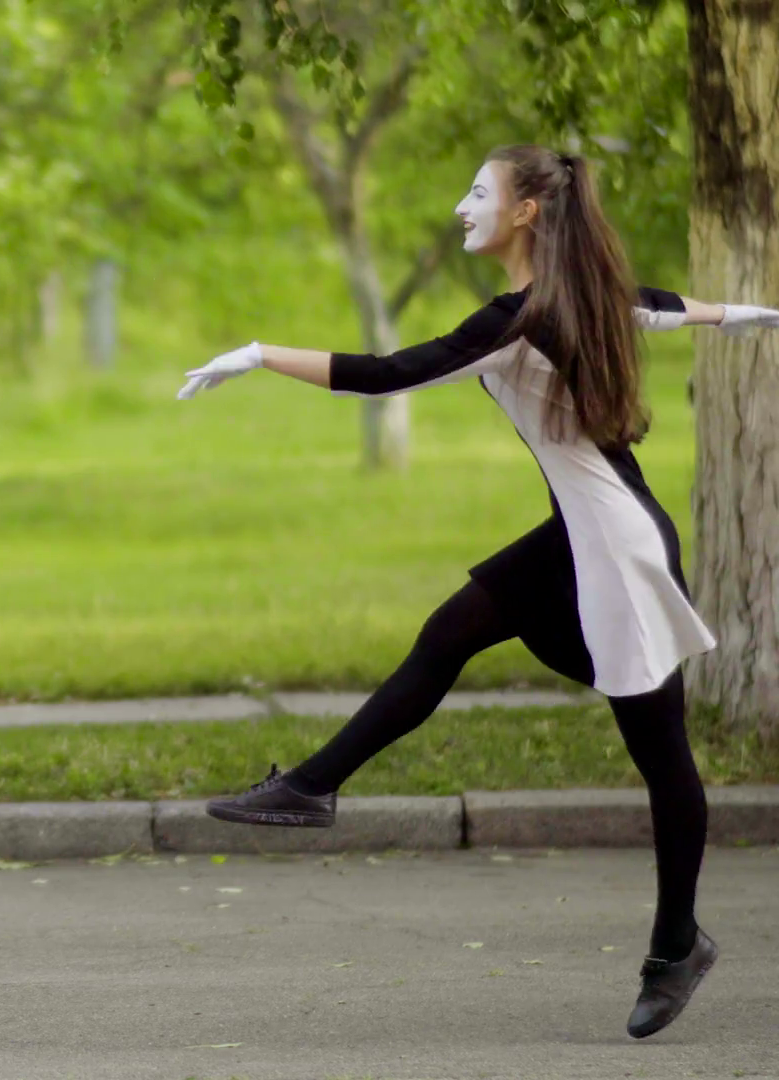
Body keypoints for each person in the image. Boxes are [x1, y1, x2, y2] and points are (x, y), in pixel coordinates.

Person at [176, 144, 779, 1040]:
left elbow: (387, 374)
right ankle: (309, 788)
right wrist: (741, 316)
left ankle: (675, 946)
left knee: (662, 758)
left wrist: (260, 352)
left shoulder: (521, 319)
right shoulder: (574, 299)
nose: (462, 207)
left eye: (478, 192)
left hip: (615, 549)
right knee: (450, 630)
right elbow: (659, 307)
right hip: (588, 532)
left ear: (527, 211)